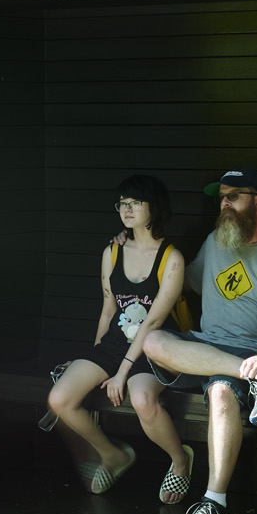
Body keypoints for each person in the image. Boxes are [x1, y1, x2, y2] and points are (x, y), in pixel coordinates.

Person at [118, 168, 257, 514]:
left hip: (256, 349)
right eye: (221, 197)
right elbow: (181, 279)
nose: (224, 203)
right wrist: (139, 245)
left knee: (221, 391)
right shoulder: (216, 241)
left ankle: (215, 505)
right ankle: (255, 382)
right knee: (152, 339)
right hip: (210, 348)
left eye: (233, 196)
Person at [42, 175, 188, 494]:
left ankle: (179, 460)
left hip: (154, 350)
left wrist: (120, 373)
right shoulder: (112, 251)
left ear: (155, 207)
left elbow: (152, 323)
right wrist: (93, 360)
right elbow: (109, 309)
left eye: (135, 202)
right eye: (122, 203)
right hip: (114, 345)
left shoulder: (171, 258)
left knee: (141, 399)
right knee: (59, 398)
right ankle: (114, 455)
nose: (127, 209)